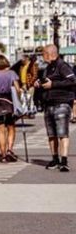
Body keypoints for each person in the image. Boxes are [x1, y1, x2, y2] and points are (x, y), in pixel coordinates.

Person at [35, 44, 76, 172]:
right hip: (49, 104)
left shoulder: (62, 65)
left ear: (49, 53)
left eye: (43, 54)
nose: (42, 57)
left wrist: (53, 84)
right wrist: (39, 83)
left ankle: (64, 161)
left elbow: (72, 80)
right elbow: (46, 82)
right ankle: (55, 159)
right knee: (51, 134)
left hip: (62, 102)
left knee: (62, 133)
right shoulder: (48, 68)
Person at [0, 55, 22, 162]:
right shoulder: (11, 73)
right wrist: (19, 101)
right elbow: (17, 89)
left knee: (0, 130)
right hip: (8, 102)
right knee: (11, 127)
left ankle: (3, 155)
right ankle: (10, 150)